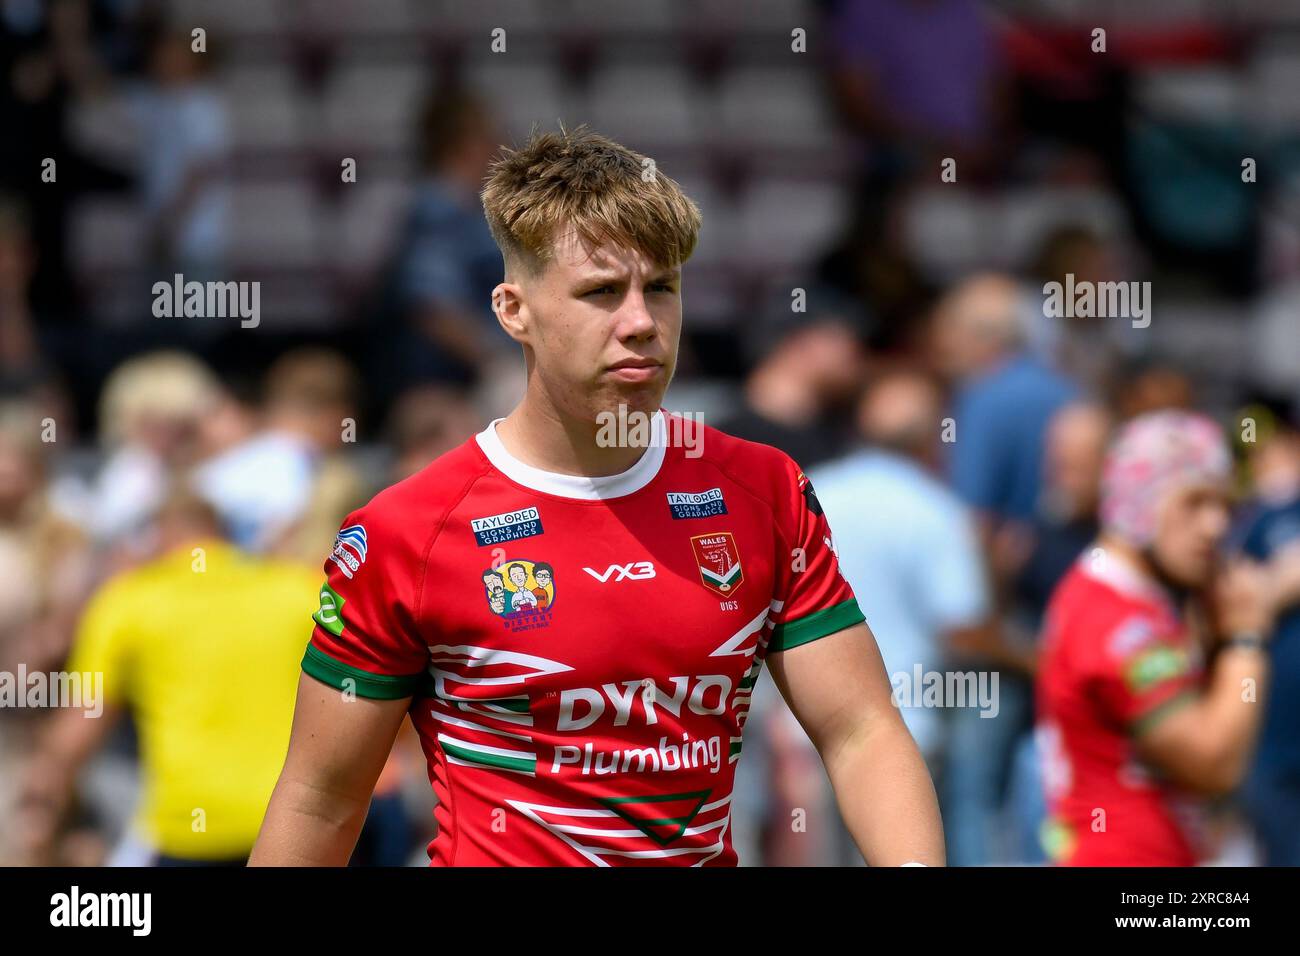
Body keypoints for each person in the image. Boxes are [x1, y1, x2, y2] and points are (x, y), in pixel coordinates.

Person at [251, 126, 943, 867]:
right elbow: (321, 798)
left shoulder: (763, 490)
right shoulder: (406, 532)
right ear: (513, 310)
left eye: (663, 288)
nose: (641, 322)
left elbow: (862, 729)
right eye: (602, 292)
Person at [16, 489, 320, 866]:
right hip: (297, 828)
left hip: (192, 832)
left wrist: (43, 793)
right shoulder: (297, 591)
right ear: (222, 534)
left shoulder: (129, 603)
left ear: (159, 536)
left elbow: (80, 726)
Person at [1036, 411, 1275, 865]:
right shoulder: (1113, 618)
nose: (1216, 526)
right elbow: (1213, 763)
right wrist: (1246, 640)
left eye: (1225, 505)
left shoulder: (1132, 596)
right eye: (1195, 502)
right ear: (1136, 502)